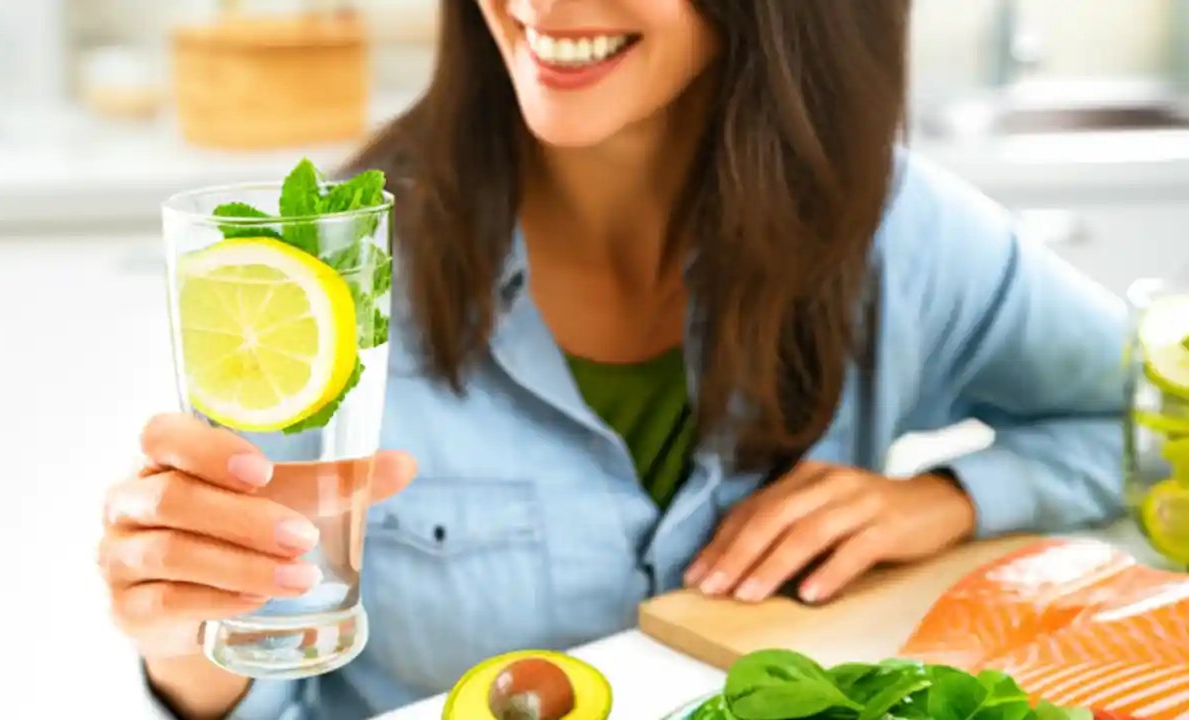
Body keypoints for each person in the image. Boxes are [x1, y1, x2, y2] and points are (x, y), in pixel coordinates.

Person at [98, 1, 1127, 718]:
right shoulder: (329, 283)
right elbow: (256, 683)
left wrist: (949, 495)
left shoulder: (889, 232)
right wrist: (181, 639)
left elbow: (1146, 412)